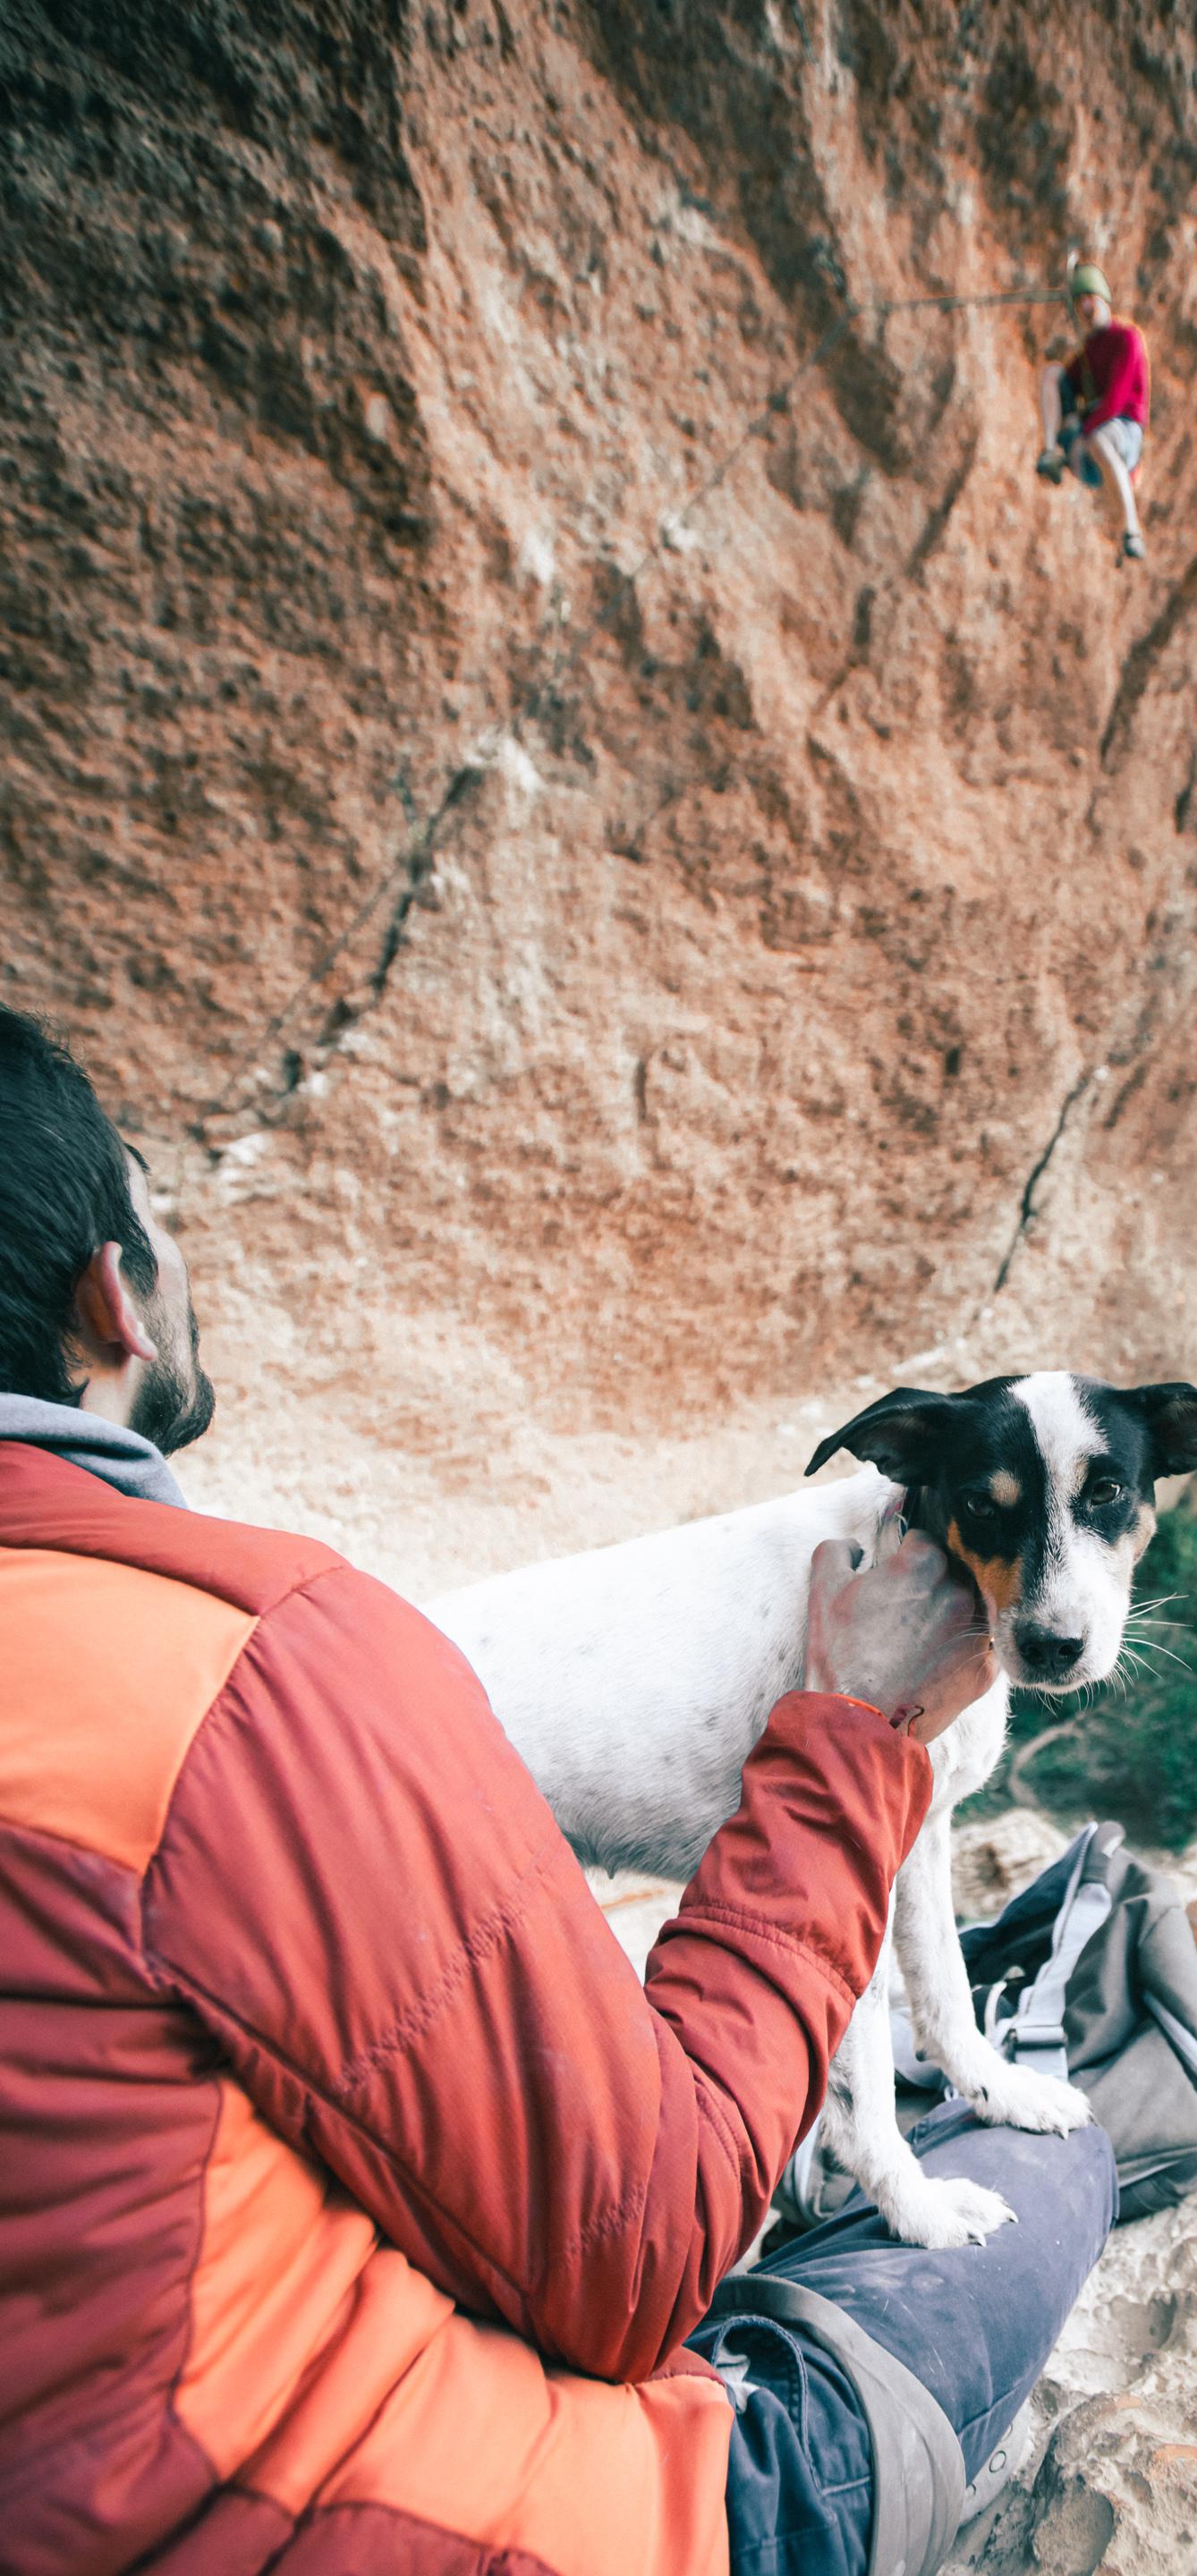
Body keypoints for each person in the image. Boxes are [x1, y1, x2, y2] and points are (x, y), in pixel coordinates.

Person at [0, 1002, 1116, 2576]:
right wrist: (849, 1738)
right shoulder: (240, 1671)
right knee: (1050, 2163)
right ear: (117, 1297)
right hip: (405, 2519)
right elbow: (638, 2253)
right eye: (161, 1219)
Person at [1035, 261, 1150, 563]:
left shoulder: (1127, 339)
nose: (1086, 307)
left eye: (1090, 299)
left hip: (1122, 432)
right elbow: (1068, 383)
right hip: (1090, 444)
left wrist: (1083, 433)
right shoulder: (1090, 351)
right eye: (1081, 302)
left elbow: (1116, 401)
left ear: (1104, 300)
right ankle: (1050, 452)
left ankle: (1131, 530)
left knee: (1099, 438)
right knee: (1052, 374)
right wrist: (1071, 431)